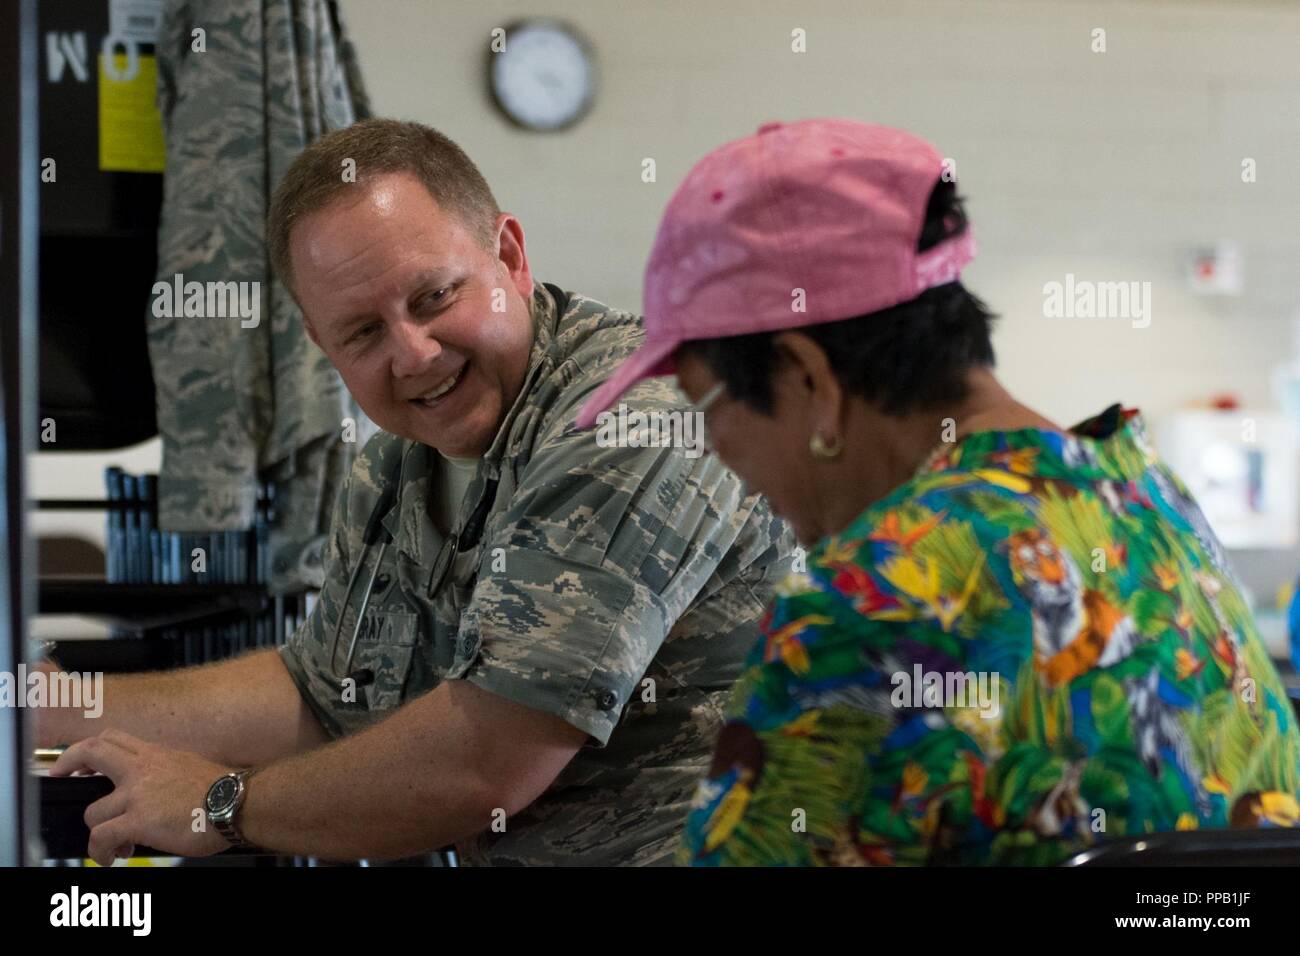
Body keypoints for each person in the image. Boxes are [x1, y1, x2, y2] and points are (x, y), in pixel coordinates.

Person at [38, 118, 794, 867]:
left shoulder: (632, 419)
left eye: (434, 297)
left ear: (509, 256)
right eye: (362, 333)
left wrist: (219, 805)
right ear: (320, 340)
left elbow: (485, 764)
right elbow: (323, 699)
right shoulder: (393, 468)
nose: (414, 354)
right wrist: (59, 704)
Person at [577, 118, 1300, 865]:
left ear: (808, 378)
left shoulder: (865, 602)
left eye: (703, 402)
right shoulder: (1147, 494)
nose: (720, 453)